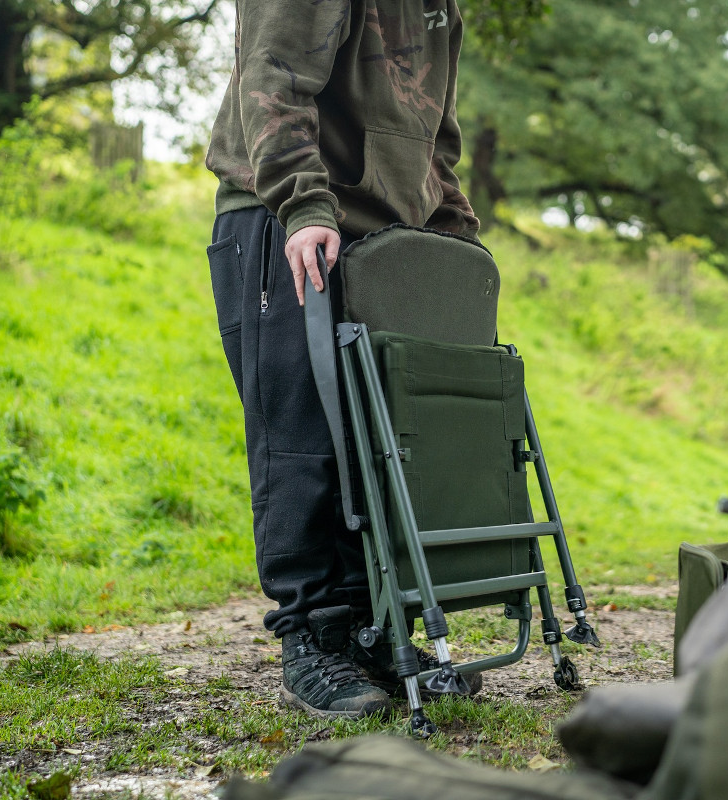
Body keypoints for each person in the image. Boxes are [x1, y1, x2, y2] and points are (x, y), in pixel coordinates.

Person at [205, 0, 480, 720]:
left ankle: (369, 631)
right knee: (302, 436)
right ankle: (312, 637)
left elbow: (434, 136)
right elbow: (273, 76)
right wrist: (303, 206)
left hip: (387, 238)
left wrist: (456, 237)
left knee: (378, 444)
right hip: (290, 218)